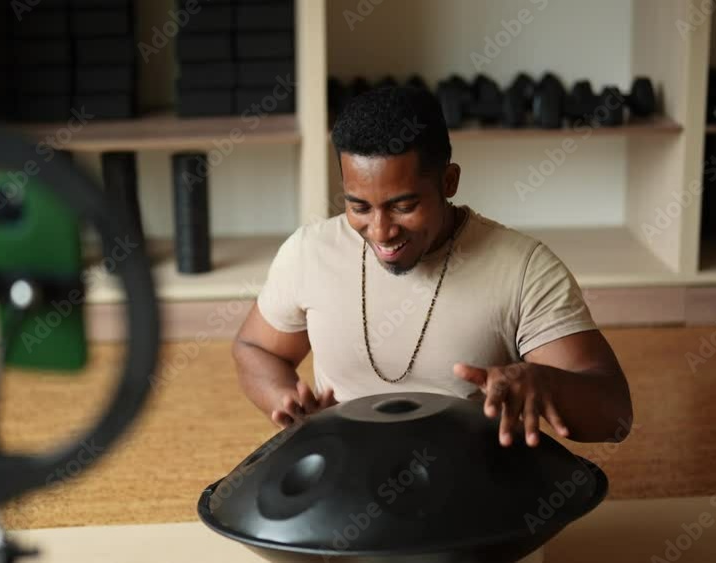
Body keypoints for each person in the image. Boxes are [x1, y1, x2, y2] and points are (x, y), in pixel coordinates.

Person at [232, 86, 633, 449]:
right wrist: (286, 399)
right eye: (359, 207)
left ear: (449, 181)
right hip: (345, 476)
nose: (381, 231)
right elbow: (255, 349)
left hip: (467, 480)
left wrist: (545, 382)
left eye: (403, 206)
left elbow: (614, 416)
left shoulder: (525, 269)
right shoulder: (309, 252)